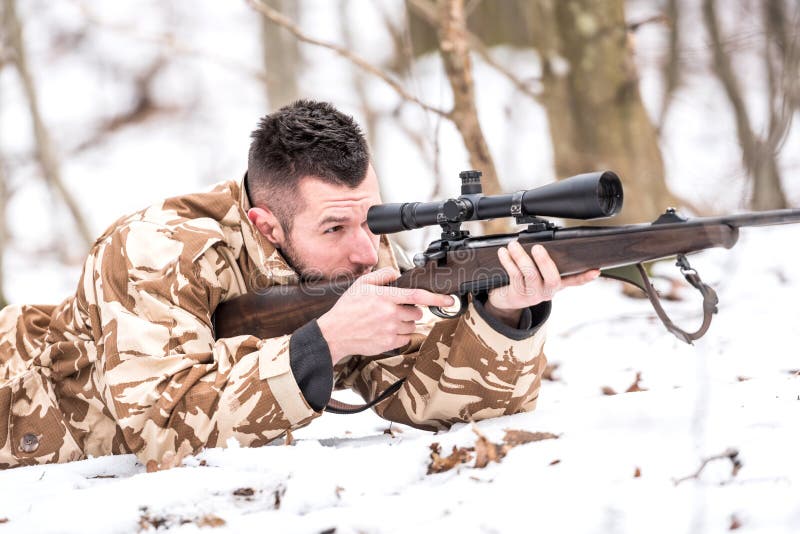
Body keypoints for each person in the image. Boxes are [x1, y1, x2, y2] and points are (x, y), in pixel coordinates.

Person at [0, 100, 599, 469]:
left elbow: (419, 398)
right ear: (266, 225)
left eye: (373, 218)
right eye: (335, 226)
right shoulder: (153, 250)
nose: (366, 250)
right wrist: (324, 344)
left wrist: (504, 318)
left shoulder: (357, 242)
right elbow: (164, 434)